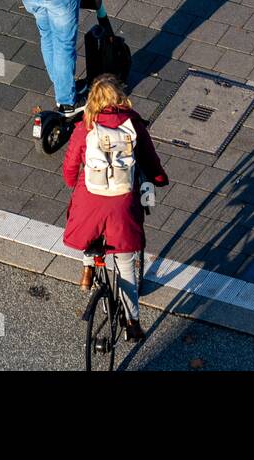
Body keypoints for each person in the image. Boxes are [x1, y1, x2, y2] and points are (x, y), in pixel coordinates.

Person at [61, 74, 168, 341]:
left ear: (93, 101)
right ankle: (132, 323)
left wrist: (75, 182)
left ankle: (88, 268)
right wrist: (159, 178)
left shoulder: (85, 127)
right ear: (120, 97)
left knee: (86, 222)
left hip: (91, 201)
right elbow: (150, 161)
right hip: (122, 203)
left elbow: (70, 167)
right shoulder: (133, 125)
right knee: (125, 263)